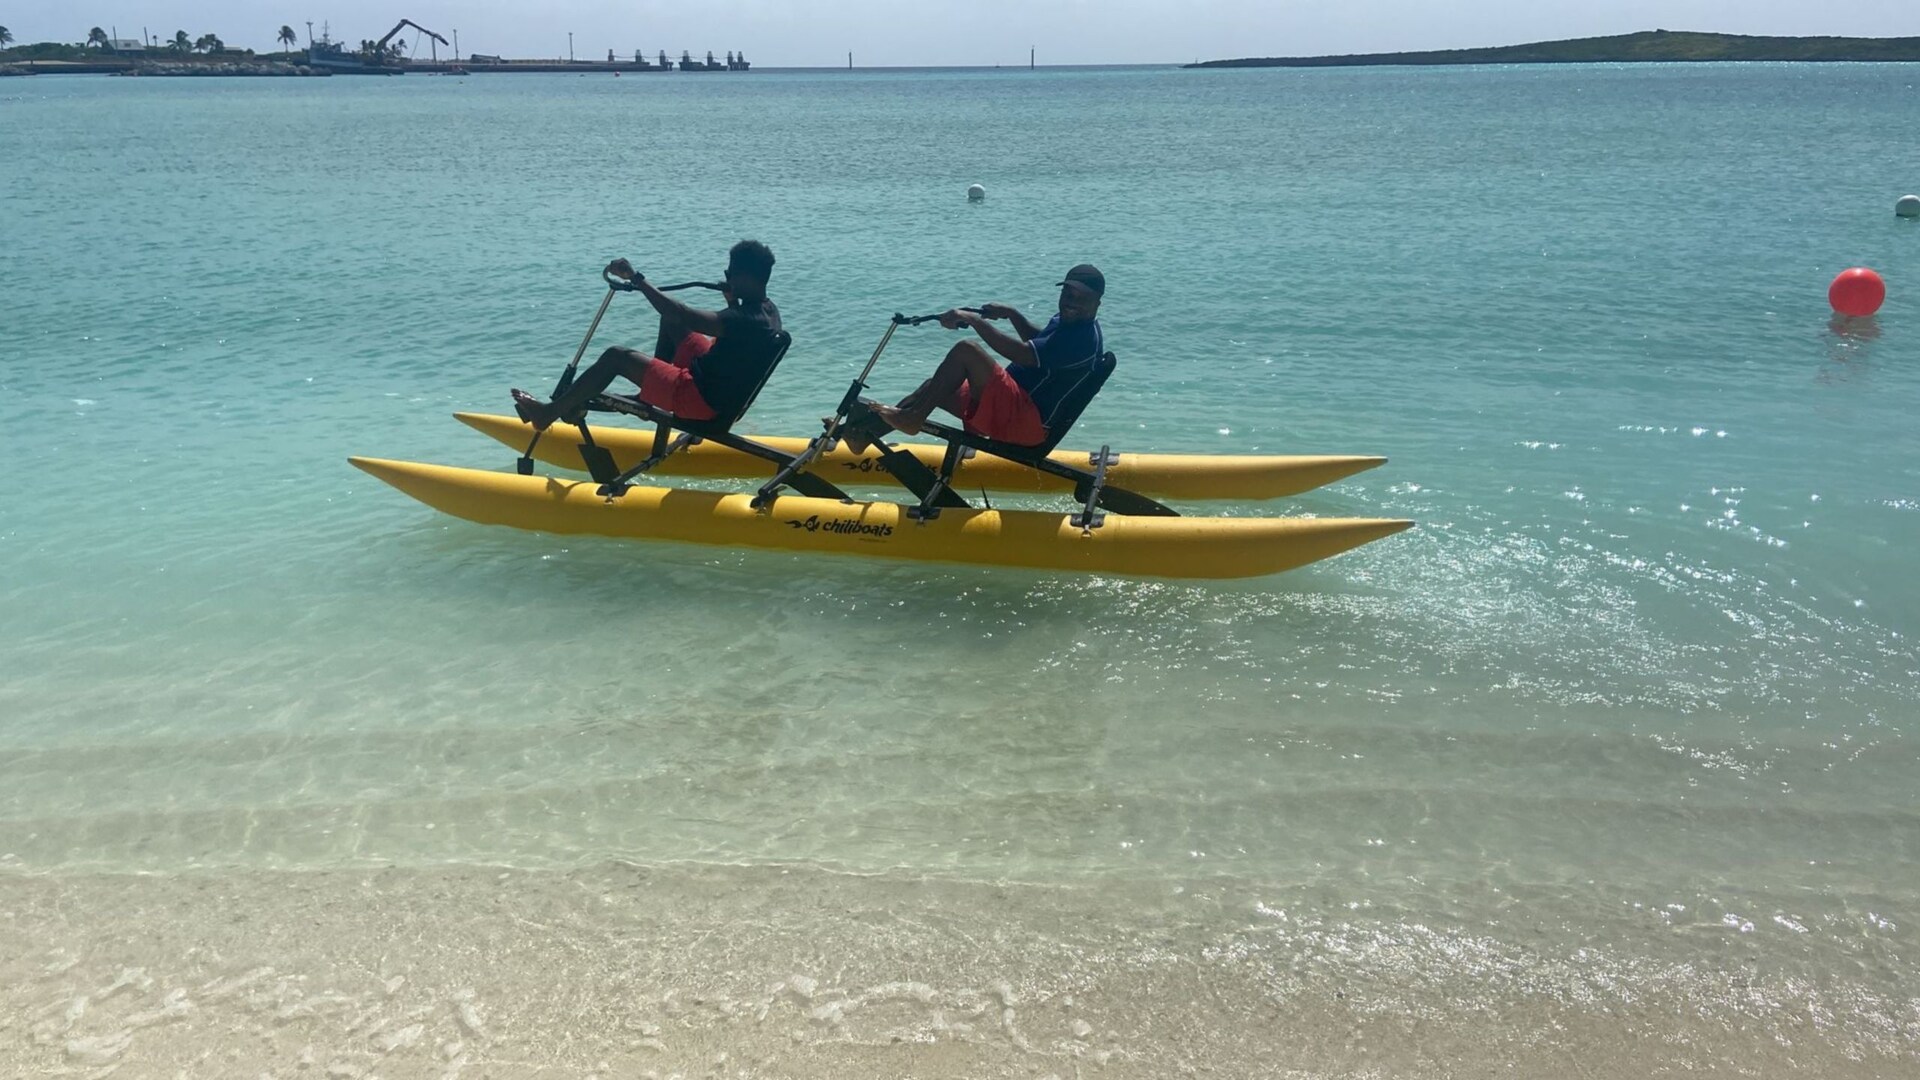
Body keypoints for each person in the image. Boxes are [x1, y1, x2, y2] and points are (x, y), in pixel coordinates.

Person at [512, 240, 781, 431]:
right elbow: (724, 332)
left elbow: (683, 314)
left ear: (745, 277)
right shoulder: (767, 312)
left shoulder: (741, 320)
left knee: (616, 357)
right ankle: (652, 393)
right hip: (717, 382)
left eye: (729, 273)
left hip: (700, 398)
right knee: (670, 322)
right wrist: (732, 300)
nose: (726, 277)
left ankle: (547, 414)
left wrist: (636, 279)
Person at [842, 264, 1106, 453]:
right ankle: (863, 435)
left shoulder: (1082, 338)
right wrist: (1013, 314)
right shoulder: (1069, 324)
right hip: (1014, 407)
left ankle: (912, 420)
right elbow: (1041, 344)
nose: (1072, 302)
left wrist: (973, 320)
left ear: (1098, 303)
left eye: (1082, 298)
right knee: (933, 387)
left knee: (966, 350)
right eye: (1068, 294)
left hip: (1026, 422)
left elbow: (1024, 354)